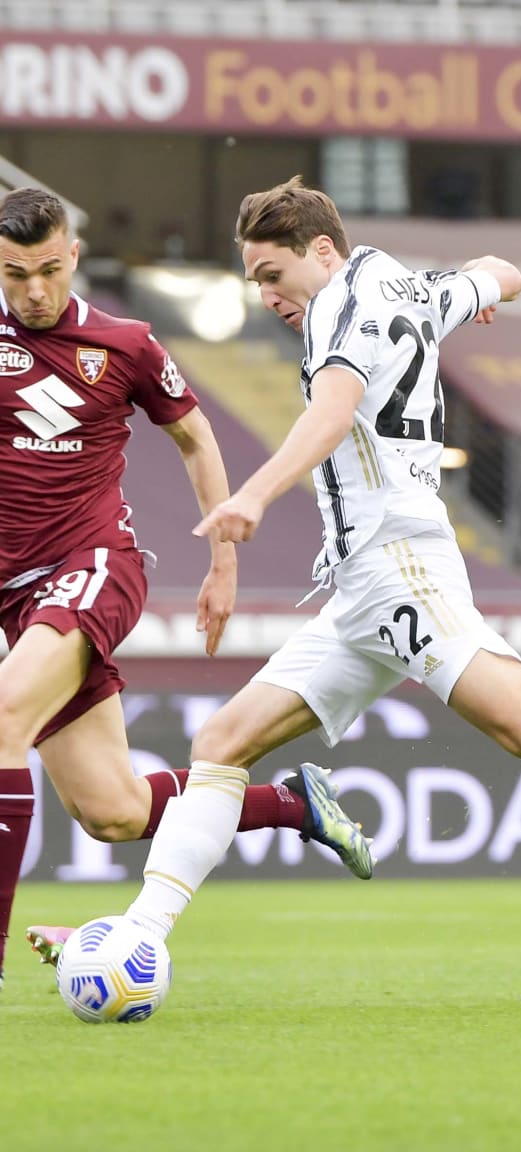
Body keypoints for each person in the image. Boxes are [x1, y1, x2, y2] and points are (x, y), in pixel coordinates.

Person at [49, 174, 521, 961]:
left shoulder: (337, 310)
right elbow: (502, 270)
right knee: (221, 742)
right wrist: (489, 289)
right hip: (359, 584)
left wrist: (252, 497)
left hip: (400, 563)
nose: (266, 298)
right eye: (255, 281)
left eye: (272, 277)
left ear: (321, 253)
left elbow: (331, 411)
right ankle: (141, 941)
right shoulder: (403, 285)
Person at [0, 187, 372, 989]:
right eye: (12, 275)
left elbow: (195, 437)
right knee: (115, 812)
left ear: (73, 257)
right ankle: (292, 805)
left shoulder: (124, 343)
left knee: (4, 718)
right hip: (16, 598)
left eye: (46, 271)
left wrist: (223, 561)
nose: (32, 291)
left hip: (92, 566)